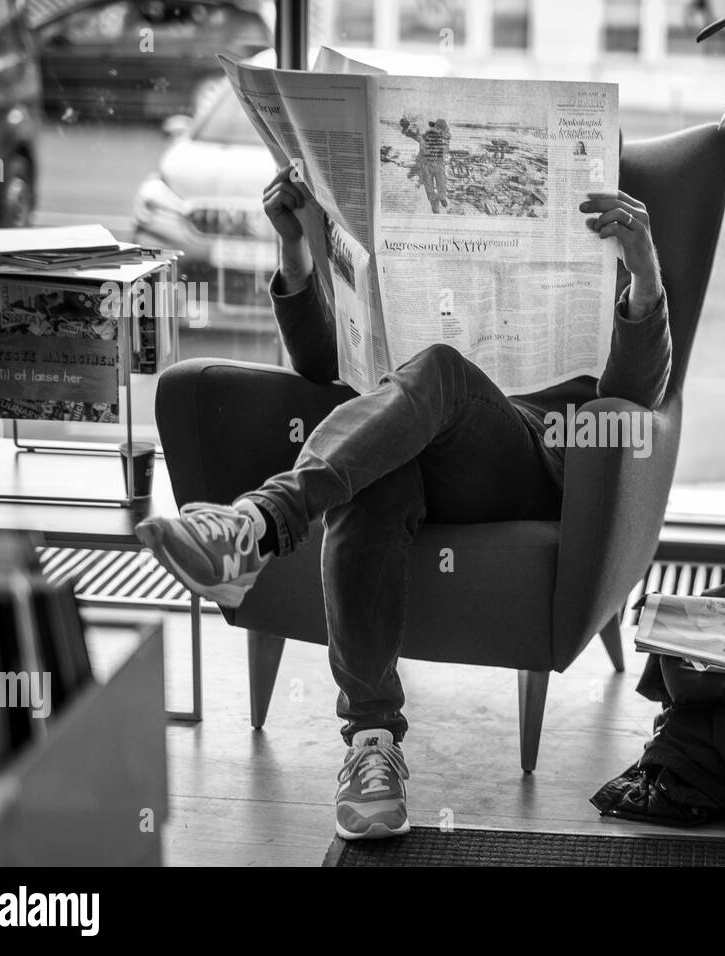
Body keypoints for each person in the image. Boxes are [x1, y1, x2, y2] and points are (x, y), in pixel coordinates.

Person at [134, 165, 671, 840]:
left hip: (521, 457)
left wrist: (645, 276)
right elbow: (324, 365)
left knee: (438, 369)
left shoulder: (608, 251)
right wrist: (296, 245)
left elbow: (637, 399)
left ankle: (261, 524)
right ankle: (371, 746)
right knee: (375, 465)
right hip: (405, 427)